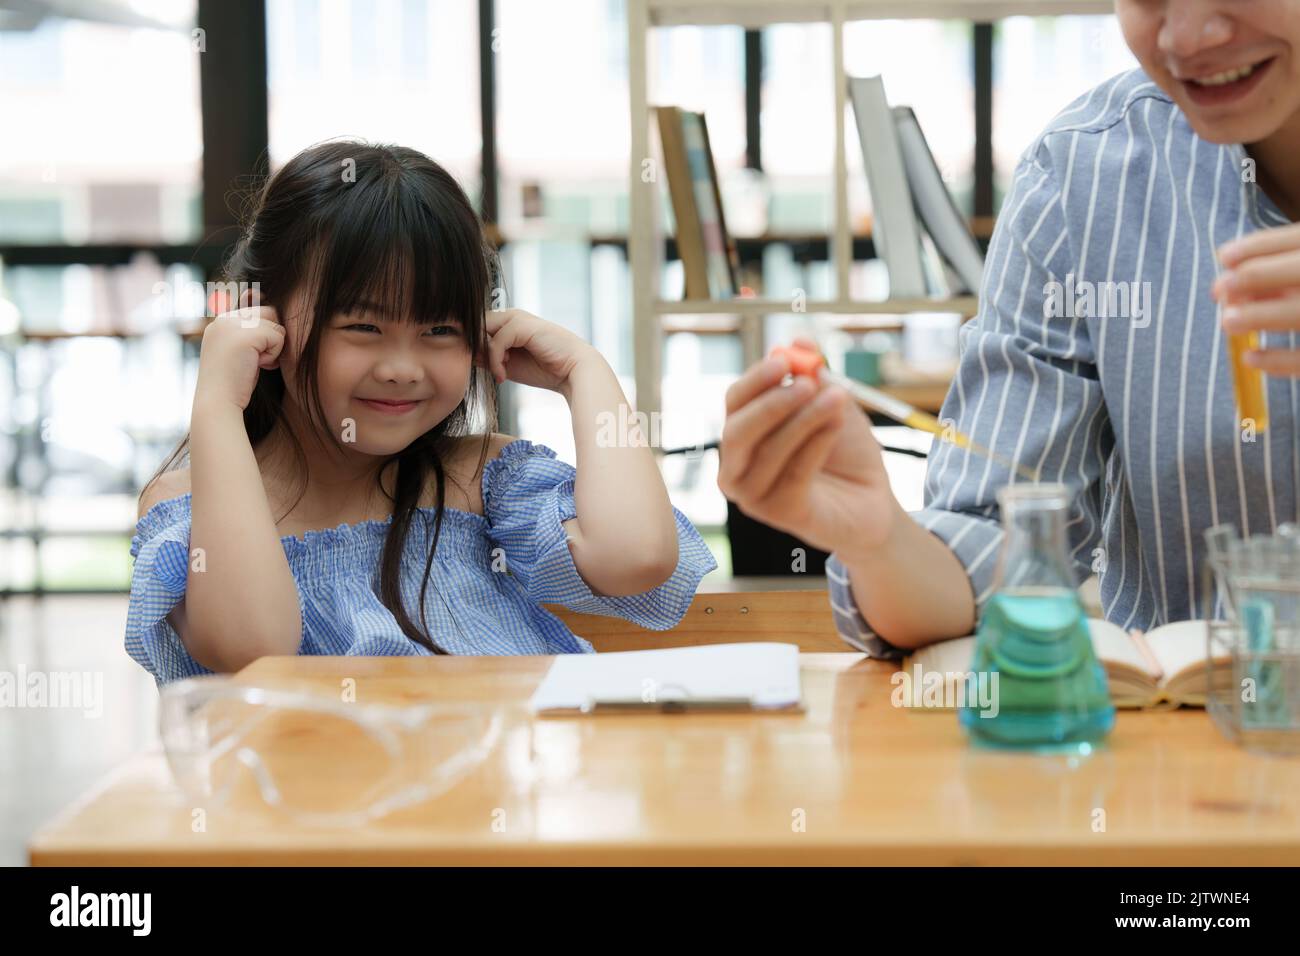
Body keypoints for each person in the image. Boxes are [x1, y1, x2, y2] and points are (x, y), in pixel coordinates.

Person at [719, 1, 1300, 658]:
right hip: (1191, 742)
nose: (1188, 36)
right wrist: (877, 539)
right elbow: (992, 551)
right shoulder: (1083, 175)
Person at [127, 140, 716, 684]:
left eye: (439, 328)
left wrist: (583, 372)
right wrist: (217, 409)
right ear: (264, 322)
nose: (403, 367)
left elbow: (636, 558)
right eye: (363, 325)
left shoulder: (477, 479)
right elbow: (255, 649)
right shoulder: (188, 508)